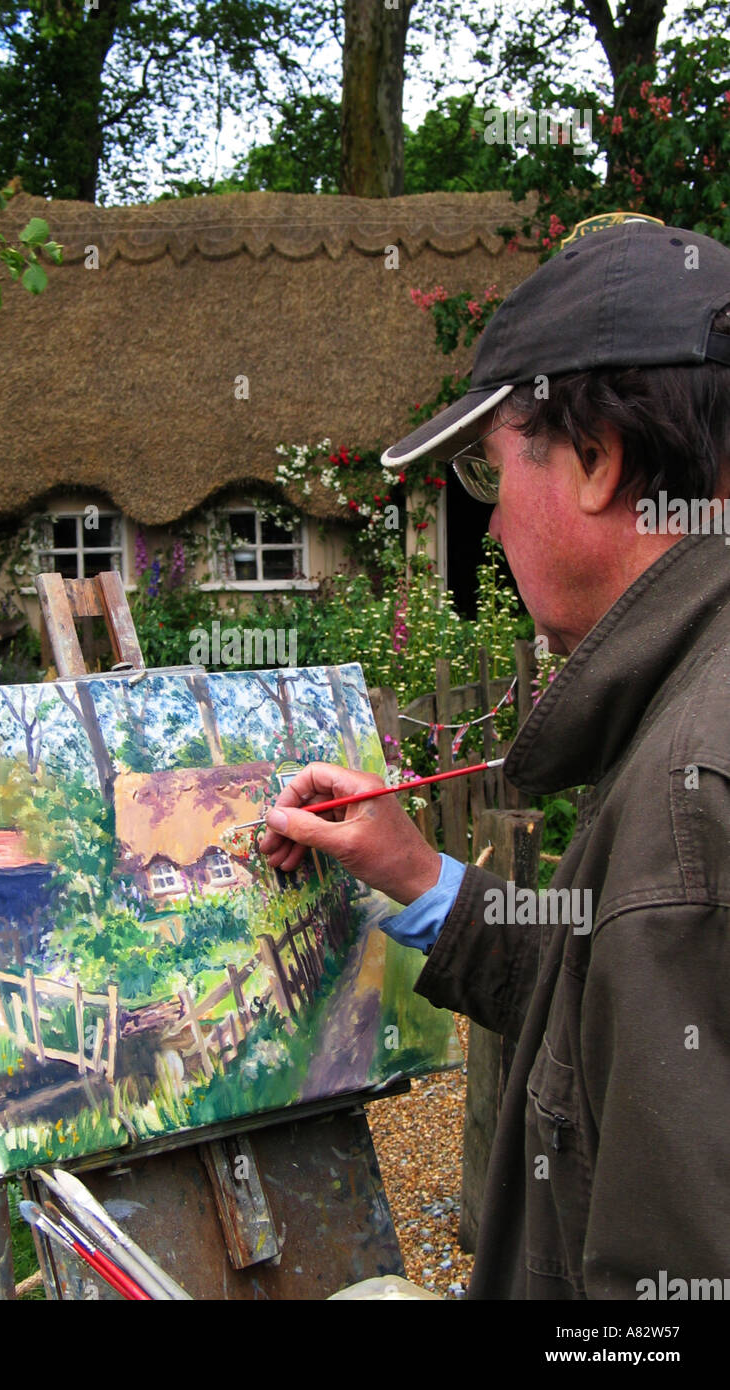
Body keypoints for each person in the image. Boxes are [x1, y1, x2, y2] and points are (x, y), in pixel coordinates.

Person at [259, 218, 730, 1300]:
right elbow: (610, 1009)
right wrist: (416, 878)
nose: (490, 521)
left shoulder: (687, 807)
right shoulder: (690, 703)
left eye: (488, 469)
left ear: (598, 459)